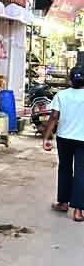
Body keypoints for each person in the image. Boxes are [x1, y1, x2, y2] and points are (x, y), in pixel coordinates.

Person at [43, 65, 84, 221]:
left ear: (70, 79)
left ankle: (63, 203)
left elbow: (53, 117)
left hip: (64, 138)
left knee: (65, 169)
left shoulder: (62, 95)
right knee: (82, 172)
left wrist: (46, 137)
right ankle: (78, 211)